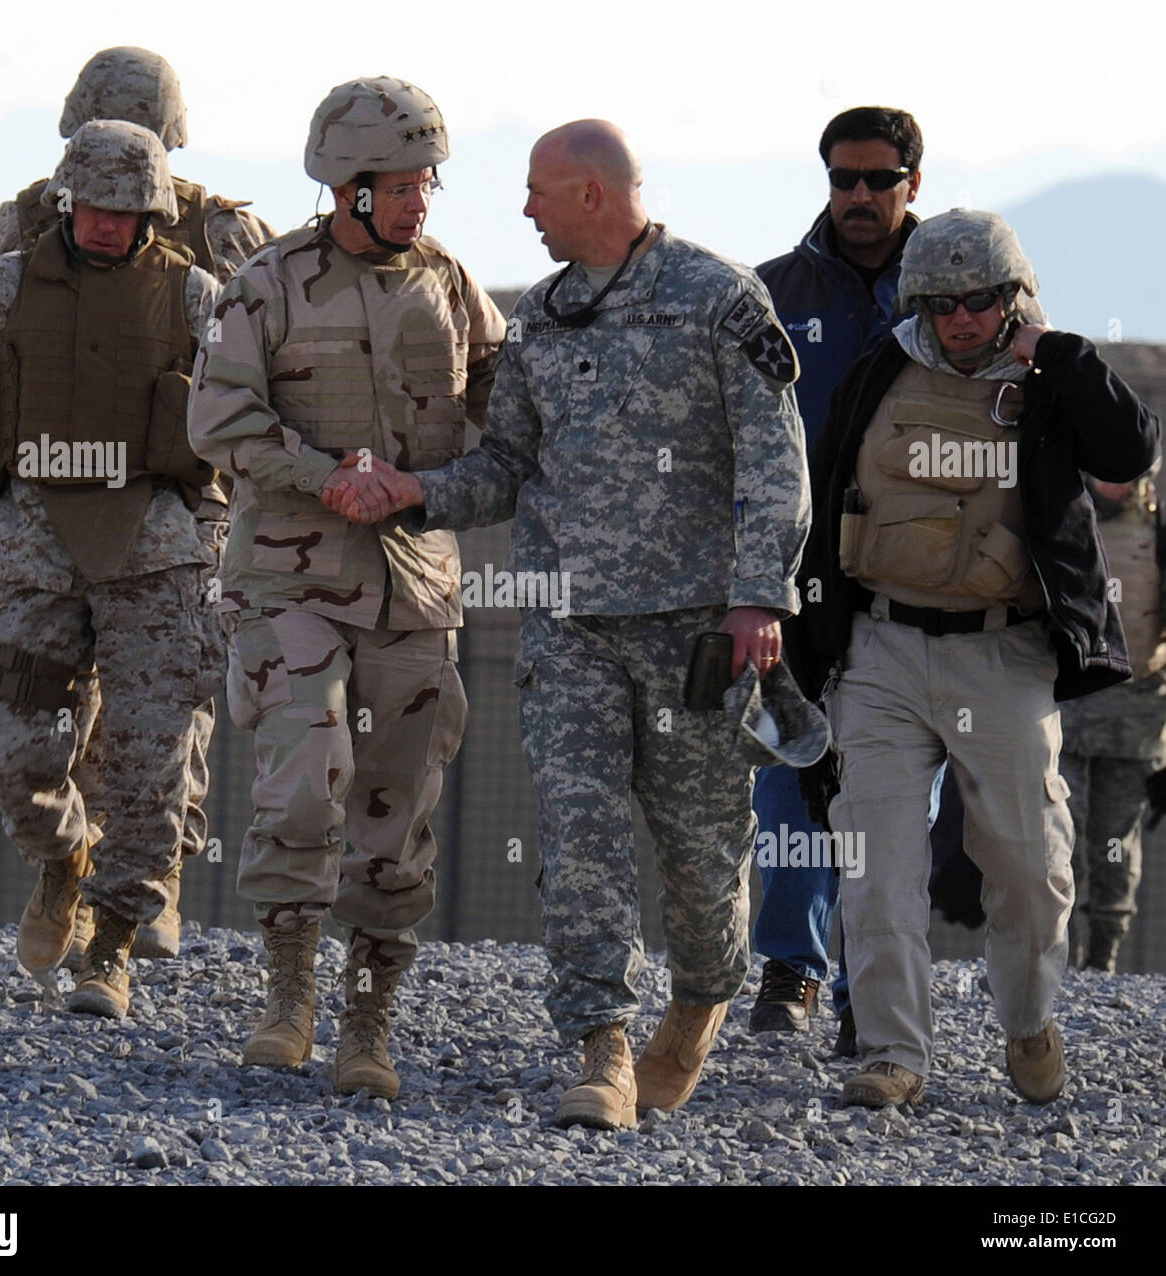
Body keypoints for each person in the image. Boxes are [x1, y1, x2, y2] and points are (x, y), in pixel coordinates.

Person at [326, 119, 810, 1129]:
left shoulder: (719, 301)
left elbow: (774, 464)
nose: (524, 209)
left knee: (699, 853)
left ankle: (701, 997)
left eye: (539, 192)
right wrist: (414, 488)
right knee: (578, 835)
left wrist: (758, 597)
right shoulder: (537, 320)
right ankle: (602, 1048)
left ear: (592, 193)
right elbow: (507, 467)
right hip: (570, 631)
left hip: (694, 637)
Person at [789, 208, 1158, 1107]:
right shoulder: (883, 369)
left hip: (1003, 654)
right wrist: (807, 651)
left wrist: (1059, 354)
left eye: (982, 300)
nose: (961, 320)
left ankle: (1028, 1022)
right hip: (880, 647)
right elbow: (827, 491)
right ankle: (891, 1054)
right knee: (876, 861)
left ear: (1013, 297)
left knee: (1032, 871)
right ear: (918, 298)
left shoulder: (1050, 380)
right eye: (944, 302)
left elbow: (1128, 449)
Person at [187, 77, 506, 1099]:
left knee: (398, 802)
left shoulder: (451, 283)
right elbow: (219, 422)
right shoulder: (266, 284)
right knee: (303, 774)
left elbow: (506, 404)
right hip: (291, 580)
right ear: (348, 188)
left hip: (413, 585)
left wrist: (425, 485)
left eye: (426, 184)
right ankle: (289, 992)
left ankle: (370, 1014)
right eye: (402, 185)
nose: (420, 202)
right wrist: (321, 474)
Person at [0, 120, 222, 1019]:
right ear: (67, 198)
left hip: (155, 547)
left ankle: (109, 946)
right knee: (17, 758)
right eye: (97, 208)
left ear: (153, 208)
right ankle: (66, 861)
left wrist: (231, 546)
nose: (112, 225)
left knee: (152, 761)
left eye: (131, 210)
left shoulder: (195, 297)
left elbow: (245, 428)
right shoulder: (1, 287)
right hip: (35, 539)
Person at [0, 46, 275, 965]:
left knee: (156, 718)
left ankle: (142, 891)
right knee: (47, 712)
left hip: (177, 508)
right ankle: (75, 862)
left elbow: (269, 369)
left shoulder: (219, 236)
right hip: (51, 503)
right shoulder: (28, 224)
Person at [751, 106, 923, 1051]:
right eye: (842, 178)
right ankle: (789, 967)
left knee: (897, 794)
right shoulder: (773, 292)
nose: (859, 196)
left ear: (912, 183)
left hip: (912, 581)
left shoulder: (963, 295)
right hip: (792, 578)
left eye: (878, 178)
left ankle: (876, 989)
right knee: (787, 774)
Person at [1058, 467, 1166, 971]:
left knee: (1114, 841)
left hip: (1136, 717)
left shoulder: (1157, 532)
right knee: (1061, 831)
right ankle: (1064, 945)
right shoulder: (1062, 514)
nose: (1115, 485)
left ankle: (1104, 954)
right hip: (1066, 710)